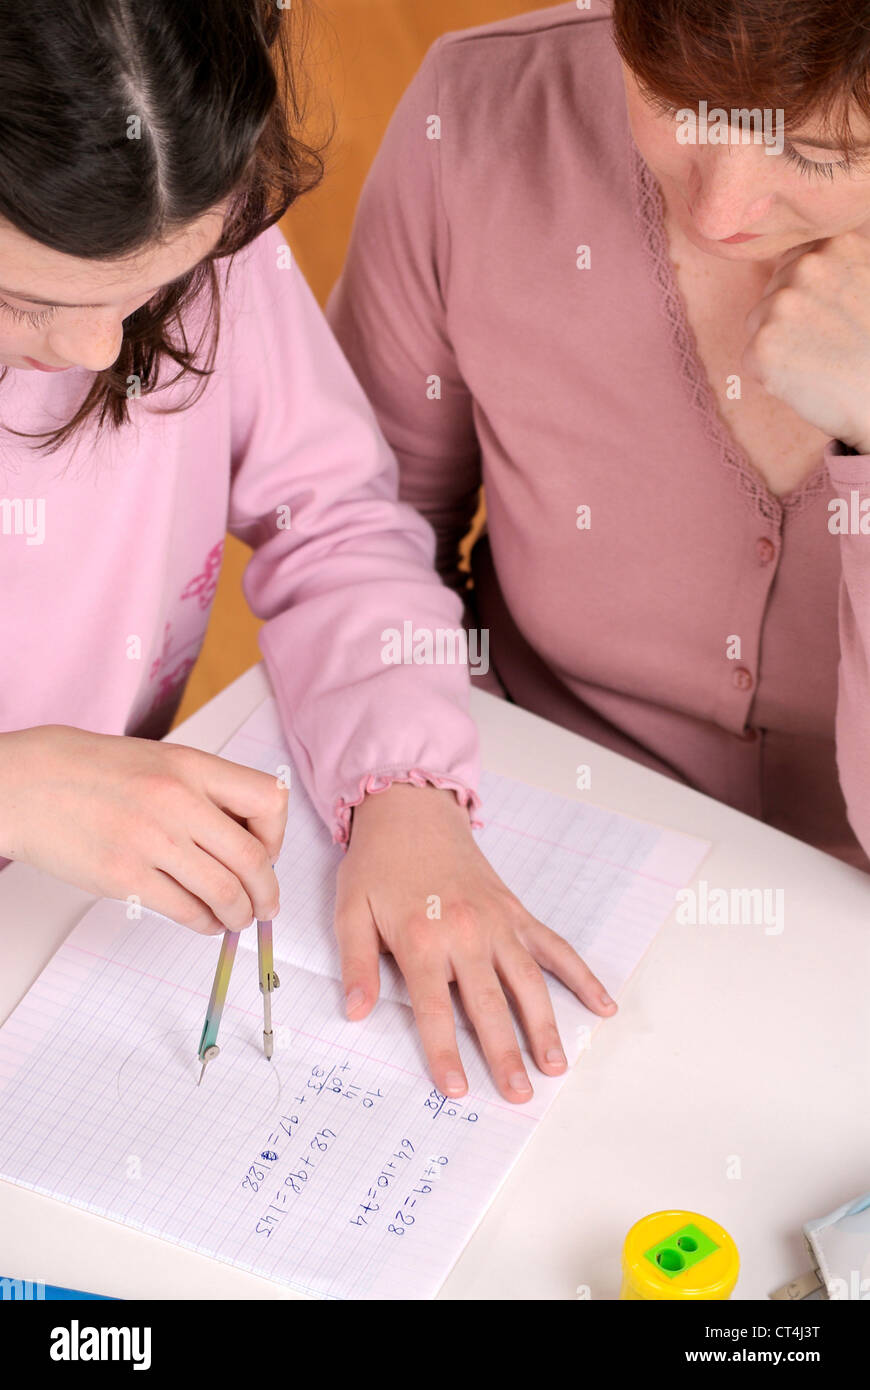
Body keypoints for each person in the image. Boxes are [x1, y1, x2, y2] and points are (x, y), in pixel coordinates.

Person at [0, 0, 618, 1108]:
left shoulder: (206, 243)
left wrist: (404, 787)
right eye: (28, 303)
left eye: (156, 289)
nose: (98, 351)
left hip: (77, 936)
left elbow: (333, 521)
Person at [328, 0, 870, 876]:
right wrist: (413, 786)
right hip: (509, 800)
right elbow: (357, 532)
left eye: (818, 153)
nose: (720, 212)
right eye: (676, 99)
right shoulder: (481, 113)